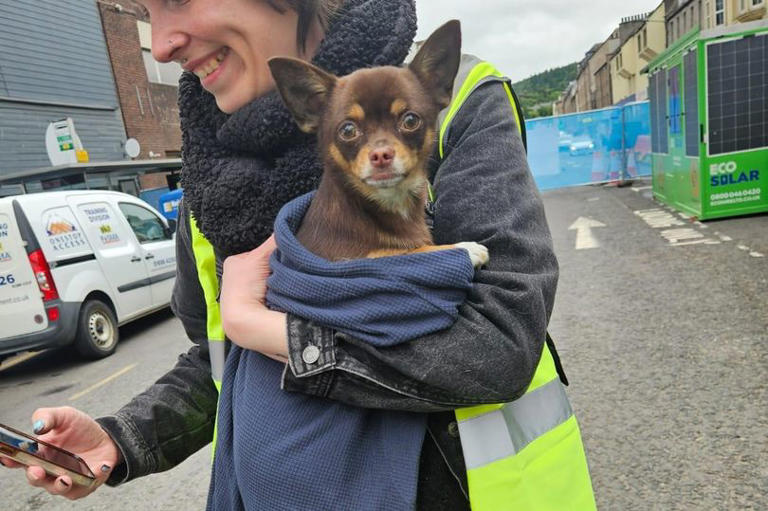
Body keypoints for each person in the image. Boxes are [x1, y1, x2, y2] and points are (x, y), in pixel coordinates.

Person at [2, 0, 594, 509]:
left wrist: (270, 330)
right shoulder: (211, 177)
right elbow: (224, 368)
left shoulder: (454, 101)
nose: (160, 45)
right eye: (144, 13)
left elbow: (499, 347)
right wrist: (122, 438)